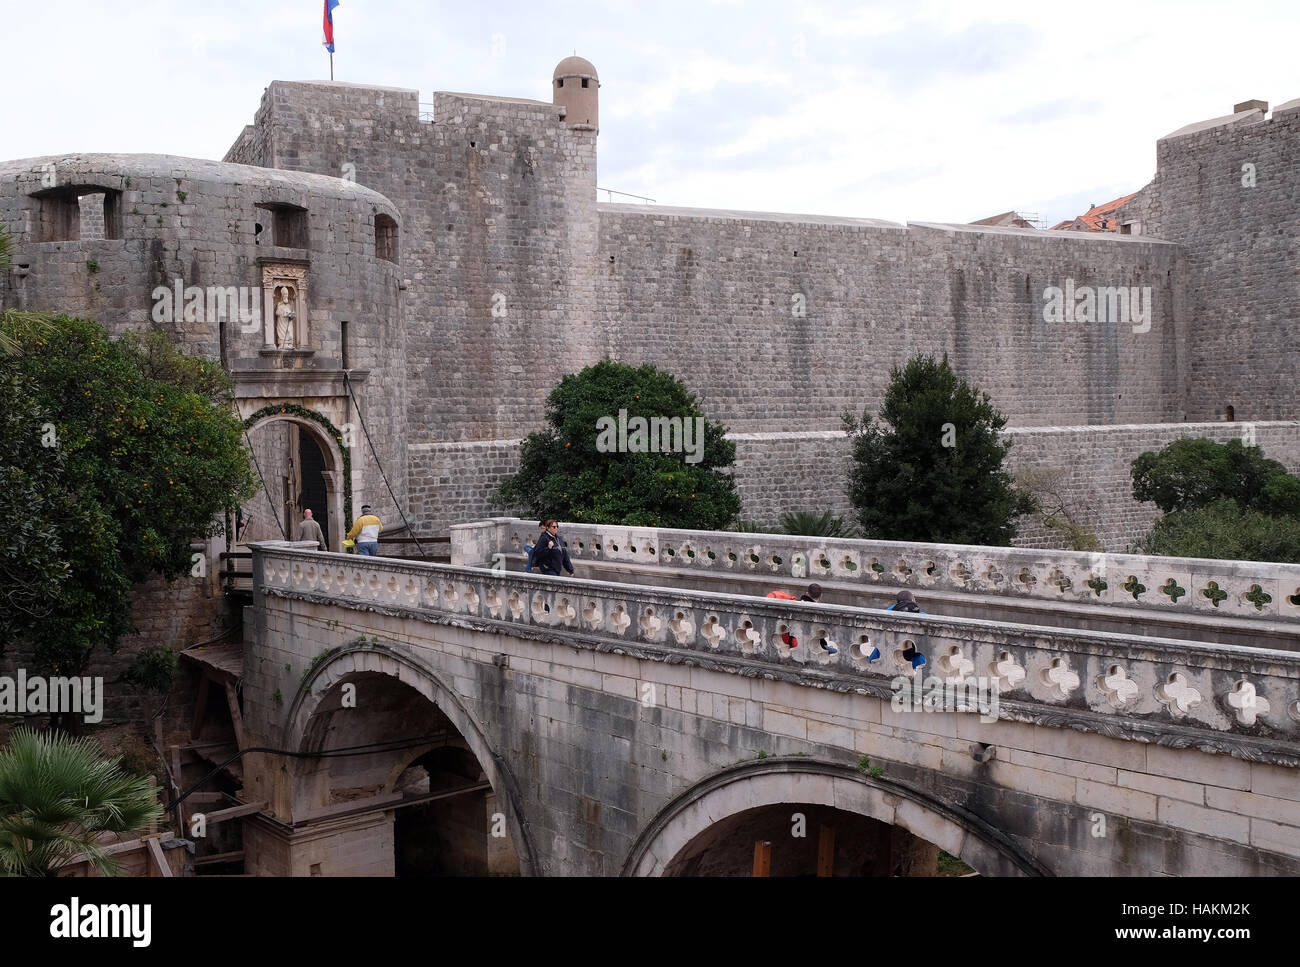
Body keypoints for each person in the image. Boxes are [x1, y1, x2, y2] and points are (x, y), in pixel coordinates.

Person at [885, 590, 927, 669]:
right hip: (913, 649)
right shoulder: (921, 614)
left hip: (893, 647)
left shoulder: (889, 611)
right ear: (913, 600)